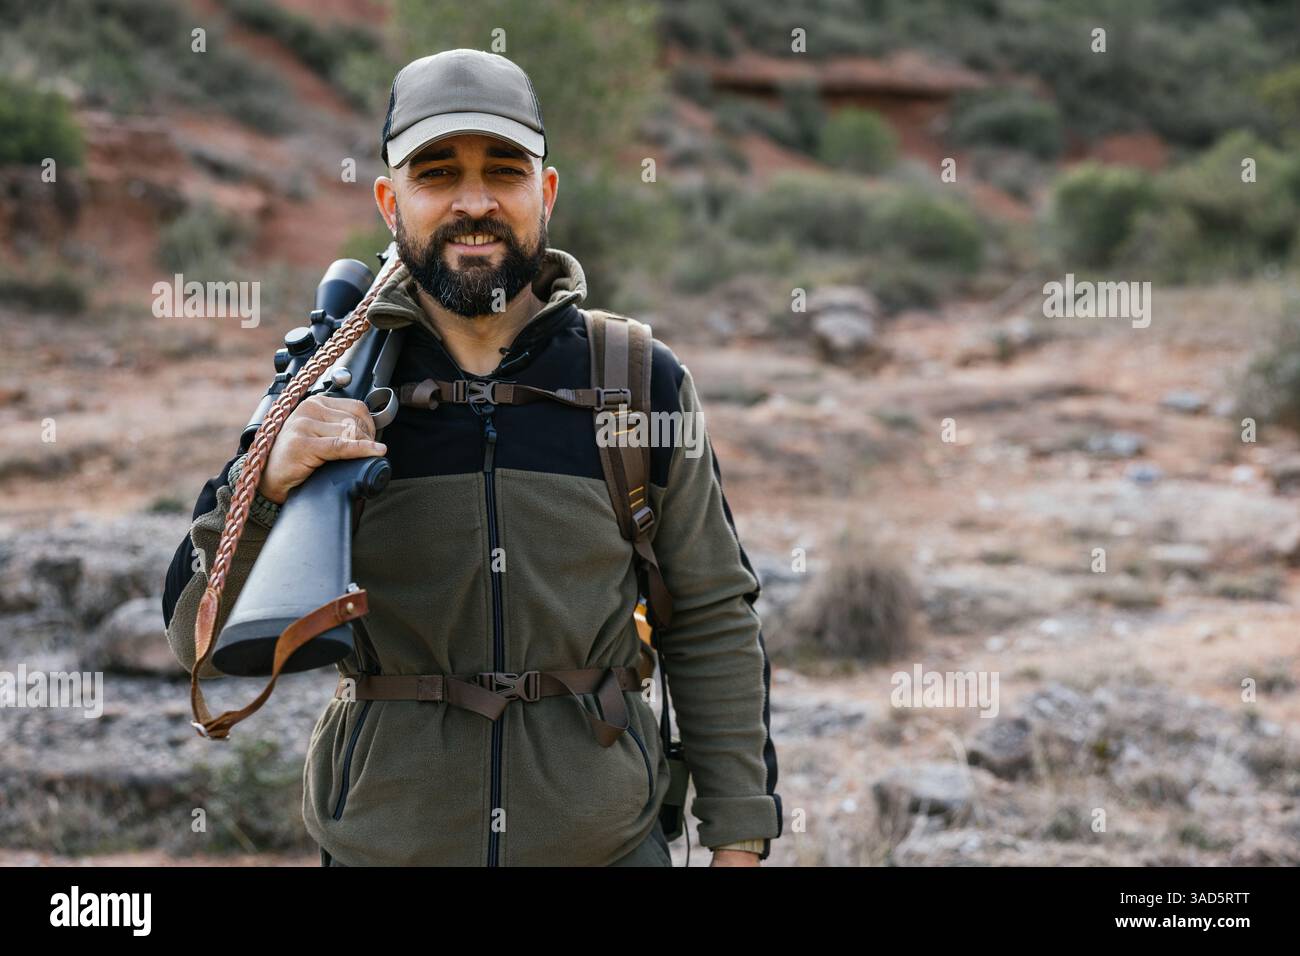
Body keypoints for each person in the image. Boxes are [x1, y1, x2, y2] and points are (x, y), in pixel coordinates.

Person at [162, 48, 781, 867]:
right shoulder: (325, 388)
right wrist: (269, 482)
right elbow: (192, 640)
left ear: (545, 193)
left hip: (605, 848)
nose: (475, 201)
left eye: (504, 170)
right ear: (391, 202)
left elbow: (709, 616)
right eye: (437, 173)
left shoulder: (636, 380)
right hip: (387, 850)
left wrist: (739, 838)